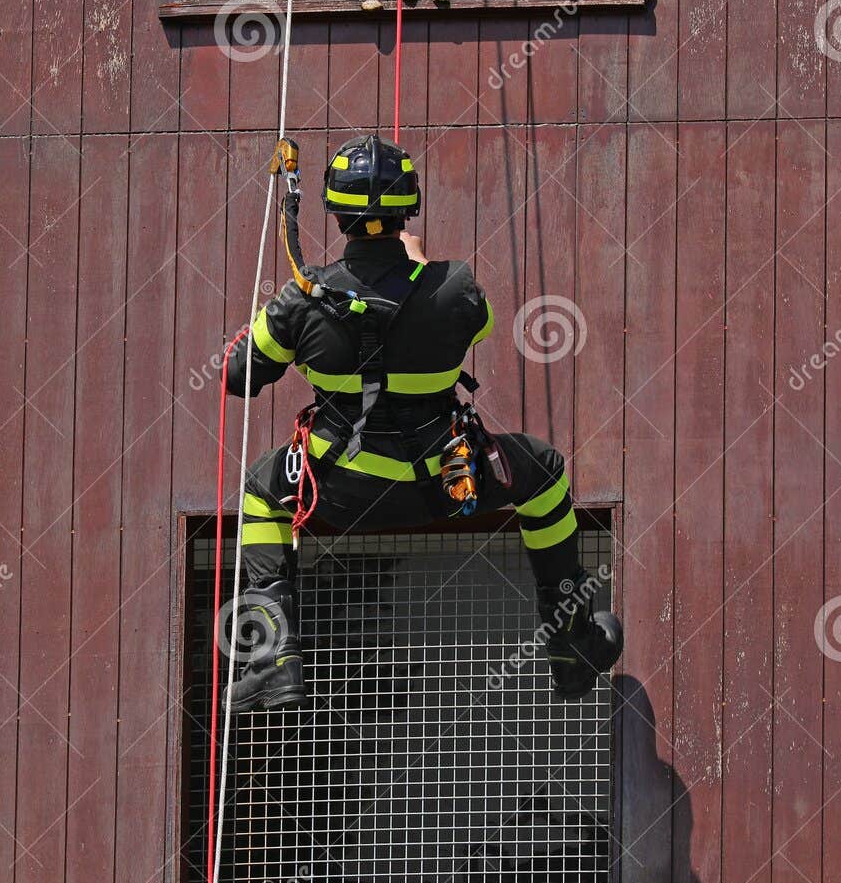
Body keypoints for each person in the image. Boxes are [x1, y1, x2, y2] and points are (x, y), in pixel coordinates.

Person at [225, 133, 623, 711]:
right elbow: (477, 324)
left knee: (261, 492)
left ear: (335, 213)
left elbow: (238, 375)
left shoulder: (303, 297)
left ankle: (274, 660)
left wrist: (286, 311)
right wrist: (416, 267)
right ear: (408, 209)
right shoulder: (452, 286)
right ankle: (569, 642)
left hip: (336, 491)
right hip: (445, 485)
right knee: (546, 473)